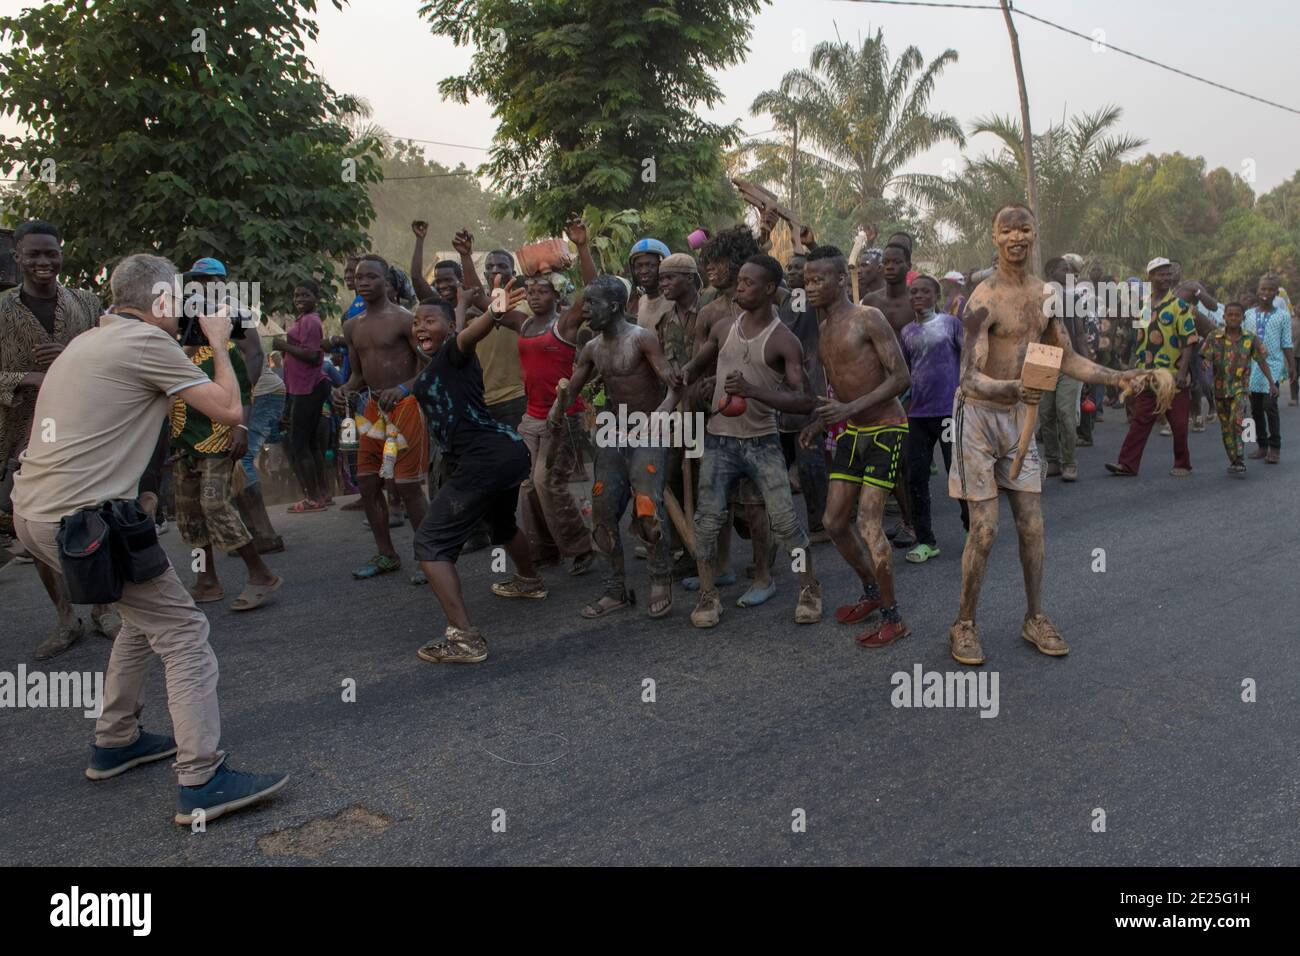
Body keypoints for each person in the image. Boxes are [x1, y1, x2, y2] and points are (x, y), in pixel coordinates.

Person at [11, 252, 288, 824]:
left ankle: (115, 739)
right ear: (160, 300)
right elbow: (233, 410)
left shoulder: (92, 339)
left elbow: (136, 422)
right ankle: (201, 779)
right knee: (185, 632)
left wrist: (144, 490)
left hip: (41, 516)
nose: (189, 309)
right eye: (182, 298)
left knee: (140, 617)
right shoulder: (146, 344)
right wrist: (215, 338)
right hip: (81, 522)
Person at [951, 205, 1142, 665]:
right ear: (994, 237)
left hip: (1021, 418)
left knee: (1032, 525)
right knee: (984, 530)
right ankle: (964, 623)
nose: (1016, 237)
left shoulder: (1045, 295)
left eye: (1024, 228)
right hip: (978, 418)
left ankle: (1034, 617)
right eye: (1006, 230)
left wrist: (1117, 377)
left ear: (1035, 234)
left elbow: (1065, 357)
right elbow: (969, 380)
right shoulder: (982, 299)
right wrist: (1016, 387)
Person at [387, 286, 539, 663]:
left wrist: (494, 311)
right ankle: (529, 581)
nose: (419, 326)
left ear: (448, 329)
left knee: (430, 544)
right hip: (506, 451)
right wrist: (457, 305)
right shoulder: (440, 359)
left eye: (429, 321)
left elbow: (470, 333)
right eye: (416, 321)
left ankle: (464, 638)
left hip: (483, 458)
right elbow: (455, 327)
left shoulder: (456, 352)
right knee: (502, 524)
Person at [682, 254, 822, 628]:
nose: (740, 287)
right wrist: (684, 381)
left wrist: (754, 391)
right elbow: (695, 367)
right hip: (718, 441)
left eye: (748, 282)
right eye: (739, 280)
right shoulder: (723, 326)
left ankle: (808, 589)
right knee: (707, 521)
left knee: (785, 523)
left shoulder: (783, 340)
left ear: (769, 290)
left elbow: (805, 399)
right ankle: (708, 596)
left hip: (762, 442)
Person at [0, 219, 115, 658]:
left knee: (95, 516)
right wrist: (28, 376)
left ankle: (105, 608)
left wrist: (70, 358)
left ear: (61, 254)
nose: (44, 262)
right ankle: (66, 618)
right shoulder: (2, 311)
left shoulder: (88, 304)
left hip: (84, 429)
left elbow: (111, 359)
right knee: (36, 525)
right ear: (17, 257)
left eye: (51, 253)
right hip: (23, 434)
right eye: (34, 254)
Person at [551, 275, 681, 619]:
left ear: (613, 306)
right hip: (614, 434)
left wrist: (665, 410)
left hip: (648, 434)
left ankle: (659, 580)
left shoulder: (642, 339)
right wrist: (556, 411)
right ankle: (615, 590)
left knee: (647, 510)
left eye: (591, 303)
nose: (585, 310)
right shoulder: (593, 348)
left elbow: (673, 385)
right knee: (603, 513)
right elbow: (573, 390)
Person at [799, 245, 910, 646]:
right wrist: (820, 420)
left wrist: (849, 408)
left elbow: (900, 379)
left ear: (842, 280)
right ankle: (872, 592)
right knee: (832, 523)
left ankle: (894, 618)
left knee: (868, 523)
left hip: (886, 428)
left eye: (819, 279)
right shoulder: (825, 326)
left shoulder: (868, 318)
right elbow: (839, 385)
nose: (810, 287)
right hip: (852, 431)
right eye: (807, 280)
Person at [486, 216, 597, 575]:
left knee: (545, 481)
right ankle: (545, 550)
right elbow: (496, 313)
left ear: (557, 293)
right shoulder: (524, 324)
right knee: (528, 489)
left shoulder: (564, 323)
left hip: (564, 416)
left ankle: (581, 548)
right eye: (530, 292)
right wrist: (501, 286)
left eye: (542, 291)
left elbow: (593, 291)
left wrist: (581, 246)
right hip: (531, 417)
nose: (534, 296)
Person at [170, 320, 283, 611]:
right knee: (190, 515)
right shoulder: (171, 354)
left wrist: (241, 428)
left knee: (214, 505)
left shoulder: (224, 352)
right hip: (182, 444)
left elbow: (243, 392)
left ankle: (261, 573)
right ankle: (206, 581)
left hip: (216, 440)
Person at [334, 254, 430, 578]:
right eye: (359, 277)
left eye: (371, 277)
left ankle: (429, 557)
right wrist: (344, 389)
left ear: (386, 281)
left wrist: (404, 388)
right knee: (367, 482)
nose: (363, 282)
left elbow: (428, 367)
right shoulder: (351, 326)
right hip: (372, 408)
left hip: (404, 407)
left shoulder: (405, 320)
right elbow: (357, 376)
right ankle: (386, 554)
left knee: (407, 485)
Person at [1106, 257, 1198, 478]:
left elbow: (1189, 341)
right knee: (1141, 419)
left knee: (1178, 423)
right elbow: (1141, 338)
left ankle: (1183, 463)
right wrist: (1134, 368)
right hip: (1147, 374)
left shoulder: (1179, 306)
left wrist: (1183, 372)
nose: (1165, 277)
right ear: (1150, 277)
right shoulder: (1144, 306)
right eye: (1160, 274)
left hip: (1172, 375)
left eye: (1168, 273)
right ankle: (1127, 464)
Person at [899, 274, 968, 564]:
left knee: (958, 474)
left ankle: (974, 530)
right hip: (917, 415)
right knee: (916, 478)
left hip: (949, 413)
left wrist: (967, 393)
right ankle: (926, 540)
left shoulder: (951, 325)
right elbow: (903, 373)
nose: (917, 296)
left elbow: (967, 358)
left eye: (924, 292)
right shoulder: (906, 332)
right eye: (913, 292)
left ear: (936, 296)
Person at [862, 242, 917, 546]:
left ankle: (915, 523)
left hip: (915, 386)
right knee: (889, 459)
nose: (890, 267)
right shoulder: (871, 301)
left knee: (906, 461)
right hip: (881, 386)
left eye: (897, 262)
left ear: (909, 265)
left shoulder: (917, 297)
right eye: (886, 262)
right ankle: (907, 520)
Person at [777, 251, 830, 544]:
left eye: (799, 268)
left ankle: (820, 523)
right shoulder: (786, 299)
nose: (793, 272)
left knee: (810, 460)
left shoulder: (808, 300)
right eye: (790, 268)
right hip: (783, 392)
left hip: (808, 386)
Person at [274, 279, 332, 511]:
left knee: (298, 444)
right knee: (310, 444)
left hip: (309, 387)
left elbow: (313, 356)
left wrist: (284, 346)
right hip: (301, 387)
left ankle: (313, 498)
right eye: (297, 296)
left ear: (315, 298)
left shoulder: (311, 321)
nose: (299, 300)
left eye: (305, 295)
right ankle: (324, 493)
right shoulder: (304, 320)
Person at [1202, 301, 1275, 475]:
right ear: (1224, 317)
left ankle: (1240, 456)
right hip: (1219, 389)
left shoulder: (1250, 338)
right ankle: (1234, 460)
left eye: (1237, 315)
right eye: (1230, 315)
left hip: (1240, 388)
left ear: (1242, 317)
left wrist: (1271, 383)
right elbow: (1206, 356)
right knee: (1226, 426)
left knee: (1237, 419)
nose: (1233, 318)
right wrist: (1206, 362)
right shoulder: (1214, 337)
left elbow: (1262, 361)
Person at [1039, 257, 1088, 482]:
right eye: (1063, 269)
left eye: (1069, 269)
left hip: (1069, 360)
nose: (1068, 272)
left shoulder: (1074, 298)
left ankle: (1070, 463)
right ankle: (1053, 461)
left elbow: (1079, 333)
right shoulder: (1036, 297)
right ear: (1050, 272)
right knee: (1045, 414)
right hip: (1042, 359)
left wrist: (1086, 365)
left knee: (1065, 413)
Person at [1243, 274, 1293, 464]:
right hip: (1252, 366)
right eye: (1263, 289)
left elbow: (1286, 342)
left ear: (1276, 292)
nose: (1266, 293)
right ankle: (1261, 446)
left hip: (1273, 365)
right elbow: (1242, 340)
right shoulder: (1248, 314)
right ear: (1258, 290)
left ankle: (1275, 448)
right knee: (1255, 409)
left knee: (1270, 407)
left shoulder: (1283, 316)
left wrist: (1292, 365)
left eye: (1271, 289)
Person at [627, 237, 674, 332]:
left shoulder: (674, 301)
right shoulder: (642, 301)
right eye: (639, 266)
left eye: (650, 265)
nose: (643, 271)